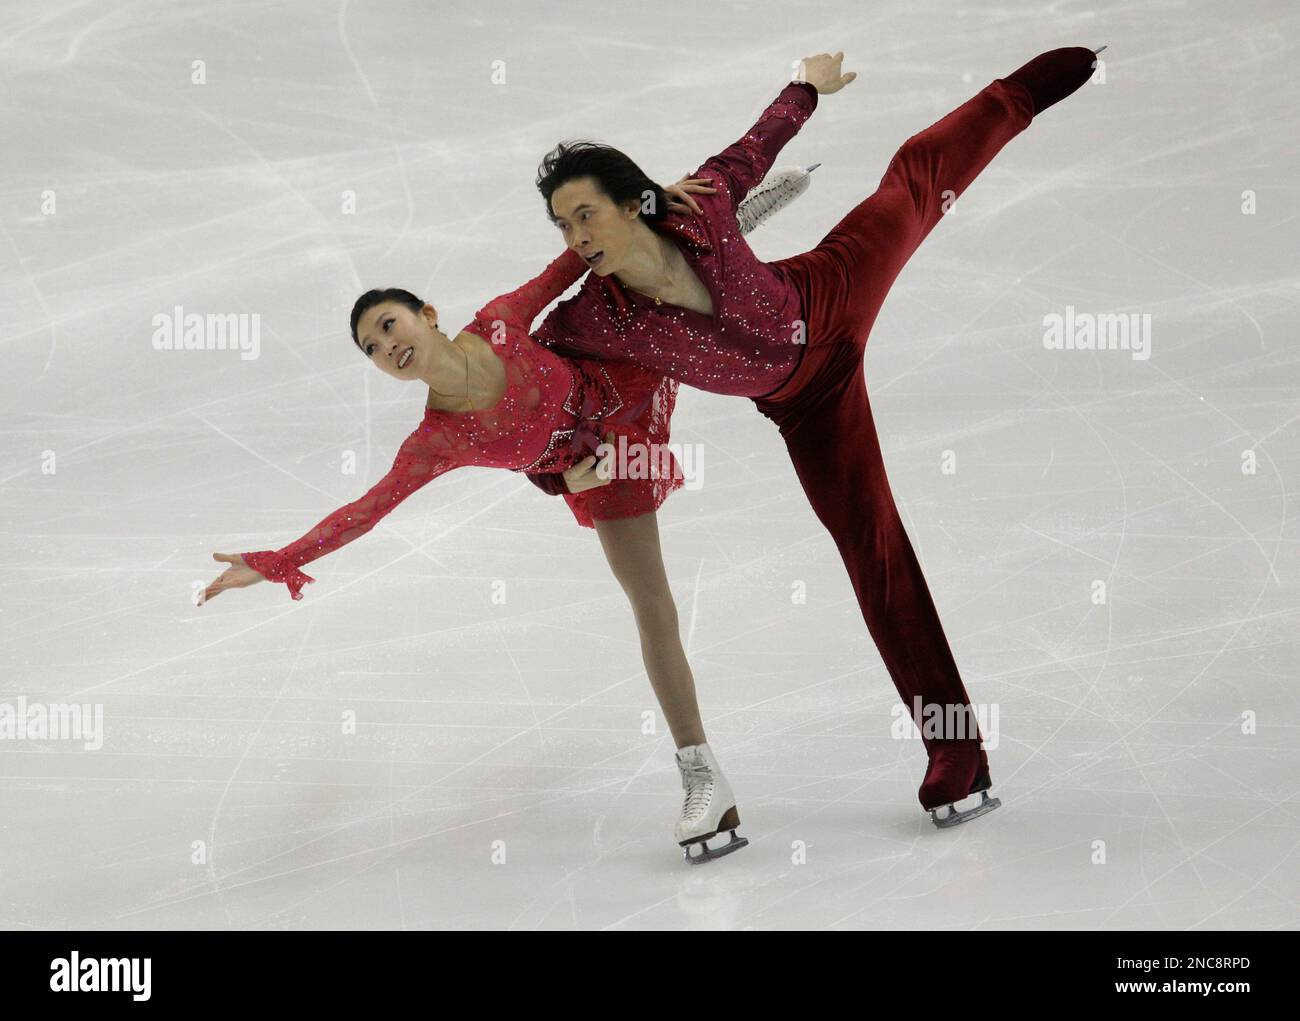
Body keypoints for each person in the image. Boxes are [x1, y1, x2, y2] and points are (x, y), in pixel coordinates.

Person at [524, 46, 1107, 827]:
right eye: (563, 224)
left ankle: (1020, 94)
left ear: (632, 203)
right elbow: (531, 407)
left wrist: (808, 86)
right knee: (874, 549)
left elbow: (761, 139)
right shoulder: (589, 320)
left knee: (912, 185)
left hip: (831, 290)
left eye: (585, 212)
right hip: (807, 401)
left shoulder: (697, 205)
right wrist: (561, 475)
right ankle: (956, 751)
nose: (576, 235)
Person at [201, 173, 814, 863]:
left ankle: (722, 234)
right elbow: (365, 511)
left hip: (613, 356)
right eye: (372, 348)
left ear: (427, 313)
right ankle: (703, 774)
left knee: (637, 294)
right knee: (653, 605)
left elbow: (568, 261)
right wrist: (278, 560)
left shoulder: (498, 320)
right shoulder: (435, 440)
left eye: (388, 324)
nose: (386, 345)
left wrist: (641, 200)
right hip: (601, 459)